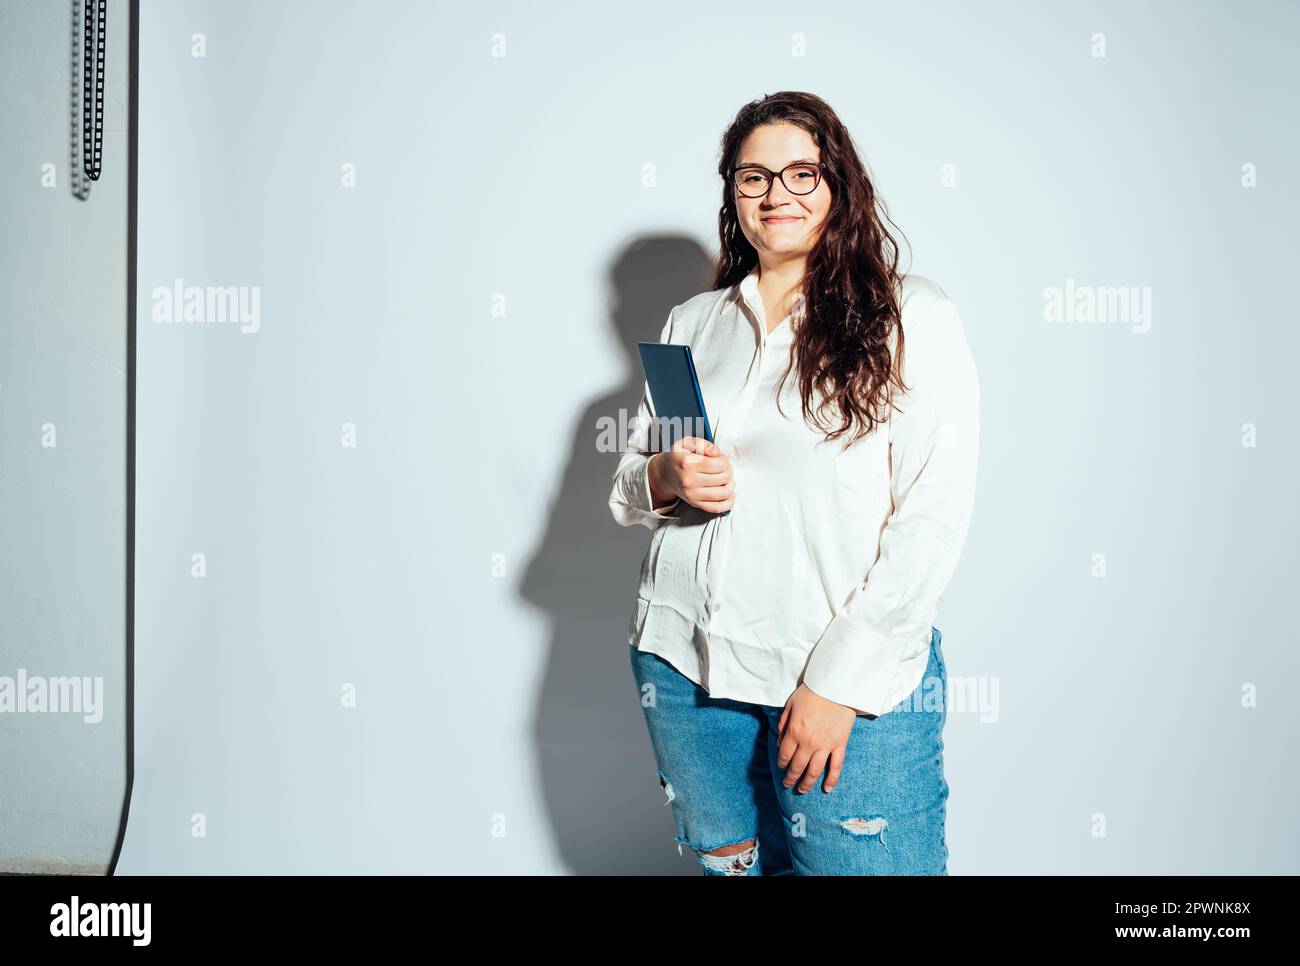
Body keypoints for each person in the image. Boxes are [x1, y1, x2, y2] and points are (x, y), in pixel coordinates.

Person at [608, 91, 980, 875]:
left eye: (801, 173)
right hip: (685, 671)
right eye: (753, 177)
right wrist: (666, 475)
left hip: (839, 680)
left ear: (839, 185)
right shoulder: (693, 321)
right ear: (732, 193)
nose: (776, 194)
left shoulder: (911, 317)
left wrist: (837, 686)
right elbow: (629, 490)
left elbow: (930, 522)